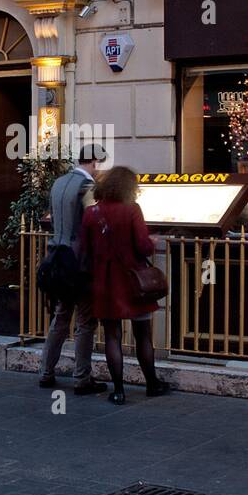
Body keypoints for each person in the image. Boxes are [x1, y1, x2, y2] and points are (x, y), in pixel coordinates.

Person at [79, 165, 170, 404]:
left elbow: (85, 251)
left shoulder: (91, 212)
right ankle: (152, 383)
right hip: (132, 282)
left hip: (105, 283)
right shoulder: (132, 209)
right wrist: (151, 241)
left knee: (112, 336)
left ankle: (118, 391)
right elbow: (142, 246)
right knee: (143, 336)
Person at [38, 145, 107, 394]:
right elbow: (93, 222)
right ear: (95, 163)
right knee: (85, 320)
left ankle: (45, 371)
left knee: (61, 316)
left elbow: (55, 222)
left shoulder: (58, 183)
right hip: (80, 263)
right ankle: (82, 378)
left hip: (57, 257)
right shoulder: (87, 188)